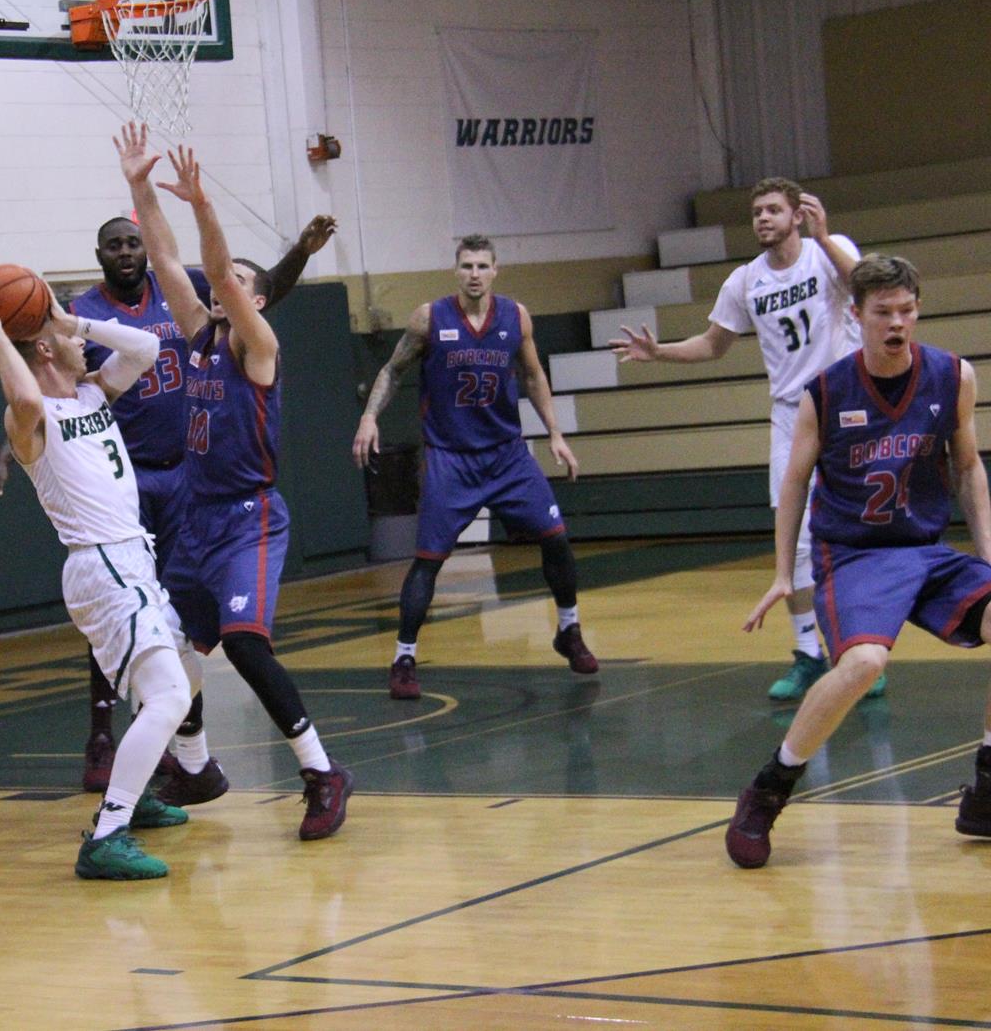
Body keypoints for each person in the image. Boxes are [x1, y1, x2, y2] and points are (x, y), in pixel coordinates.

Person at [0, 213, 338, 796]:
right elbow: (38, 404)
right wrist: (5, 455)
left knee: (177, 628)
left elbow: (247, 286)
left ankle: (206, 763)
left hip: (195, 487)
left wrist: (298, 248)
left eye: (134, 241)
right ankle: (113, 736)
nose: (126, 251)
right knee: (142, 622)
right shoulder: (87, 320)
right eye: (115, 244)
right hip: (132, 482)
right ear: (98, 254)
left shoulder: (202, 310)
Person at [118, 121, 352, 840]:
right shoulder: (195, 335)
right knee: (175, 646)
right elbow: (166, 263)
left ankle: (320, 770)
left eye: (246, 285)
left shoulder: (260, 346)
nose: (228, 287)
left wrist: (204, 207)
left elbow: (217, 272)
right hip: (194, 514)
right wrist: (139, 188)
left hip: (248, 515)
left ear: (257, 301)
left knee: (245, 644)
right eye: (229, 283)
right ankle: (195, 764)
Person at [728, 254, 991, 869]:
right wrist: (779, 572)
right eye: (883, 313)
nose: (897, 323)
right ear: (858, 316)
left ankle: (985, 790)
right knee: (865, 663)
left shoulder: (954, 376)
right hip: (853, 554)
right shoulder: (825, 390)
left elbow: (970, 467)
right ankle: (768, 789)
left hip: (924, 550)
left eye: (906, 311)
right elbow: (794, 482)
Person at [0, 279, 207, 880]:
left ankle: (137, 789)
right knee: (171, 695)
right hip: (102, 565)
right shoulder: (34, 419)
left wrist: (69, 323)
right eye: (65, 337)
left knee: (188, 671)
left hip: (132, 561)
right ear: (43, 353)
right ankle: (108, 834)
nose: (83, 345)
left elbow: (148, 352)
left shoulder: (93, 395)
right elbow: (22, 403)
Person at [611, 177, 867, 701]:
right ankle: (807, 655)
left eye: (773, 210)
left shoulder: (831, 252)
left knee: (855, 539)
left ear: (798, 214)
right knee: (792, 540)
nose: (763, 219)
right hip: (792, 416)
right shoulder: (744, 281)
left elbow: (869, 289)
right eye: (756, 213)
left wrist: (823, 239)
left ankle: (860, 652)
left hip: (848, 408)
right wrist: (658, 353)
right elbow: (713, 345)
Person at [352, 235, 596, 701]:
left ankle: (569, 629)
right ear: (456, 270)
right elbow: (392, 370)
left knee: (556, 538)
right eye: (467, 265)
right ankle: (403, 657)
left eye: (483, 265)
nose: (475, 273)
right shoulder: (430, 317)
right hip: (451, 459)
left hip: (506, 454)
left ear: (496, 270)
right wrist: (368, 417)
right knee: (428, 562)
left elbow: (533, 374)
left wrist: (556, 435)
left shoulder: (515, 316)